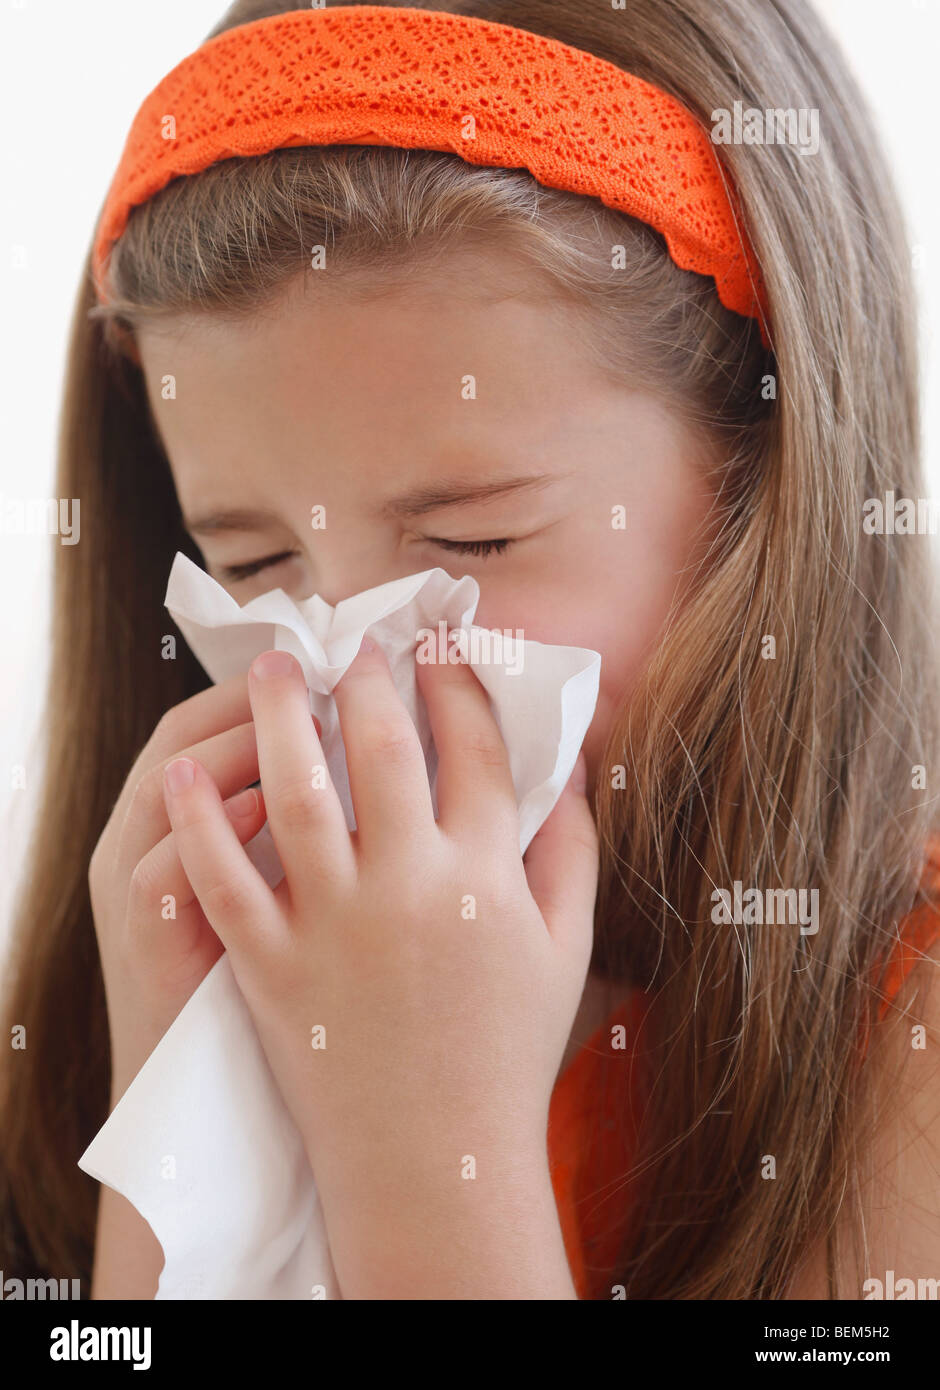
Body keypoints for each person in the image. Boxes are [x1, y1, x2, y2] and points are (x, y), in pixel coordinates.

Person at [2, 0, 938, 1300]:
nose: (354, 668)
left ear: (764, 486)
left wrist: (424, 1150)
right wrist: (183, 1119)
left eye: (471, 543)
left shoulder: (909, 1045)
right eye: (257, 564)